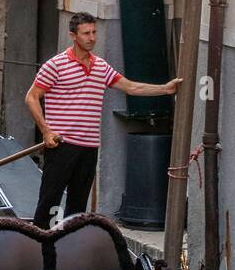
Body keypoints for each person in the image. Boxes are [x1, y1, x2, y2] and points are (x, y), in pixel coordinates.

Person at [26, 12, 181, 229]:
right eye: (86, 33)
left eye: (94, 32)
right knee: (49, 199)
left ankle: (72, 249)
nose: (92, 38)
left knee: (78, 206)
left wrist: (165, 89)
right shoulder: (56, 65)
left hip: (89, 147)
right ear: (73, 35)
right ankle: (39, 245)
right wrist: (46, 131)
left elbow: (131, 87)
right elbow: (32, 97)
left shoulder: (100, 66)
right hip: (62, 144)